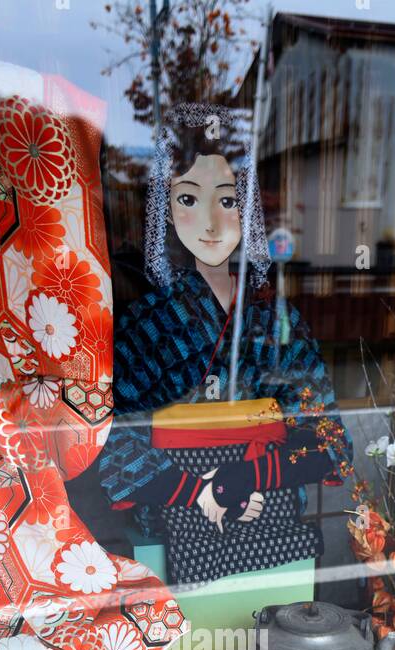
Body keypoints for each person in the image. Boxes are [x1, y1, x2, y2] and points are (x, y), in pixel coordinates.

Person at [98, 103, 353, 586]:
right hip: (173, 521)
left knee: (270, 631)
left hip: (272, 515)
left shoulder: (278, 322)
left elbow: (329, 439)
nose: (211, 223)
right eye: (188, 200)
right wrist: (198, 490)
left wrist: (249, 478)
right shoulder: (146, 325)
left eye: (229, 200)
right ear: (164, 211)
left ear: (250, 208)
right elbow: (112, 435)